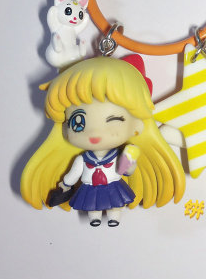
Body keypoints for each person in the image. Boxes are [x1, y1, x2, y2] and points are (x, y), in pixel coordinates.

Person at [21, 56, 185, 226]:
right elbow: (73, 174)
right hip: (90, 188)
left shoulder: (117, 155)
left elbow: (126, 171)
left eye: (113, 120)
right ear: (65, 128)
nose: (94, 133)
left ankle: (113, 216)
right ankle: (95, 217)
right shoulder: (82, 160)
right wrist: (65, 185)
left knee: (115, 204)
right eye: (78, 122)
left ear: (136, 125)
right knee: (93, 206)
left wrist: (128, 161)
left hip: (112, 186)